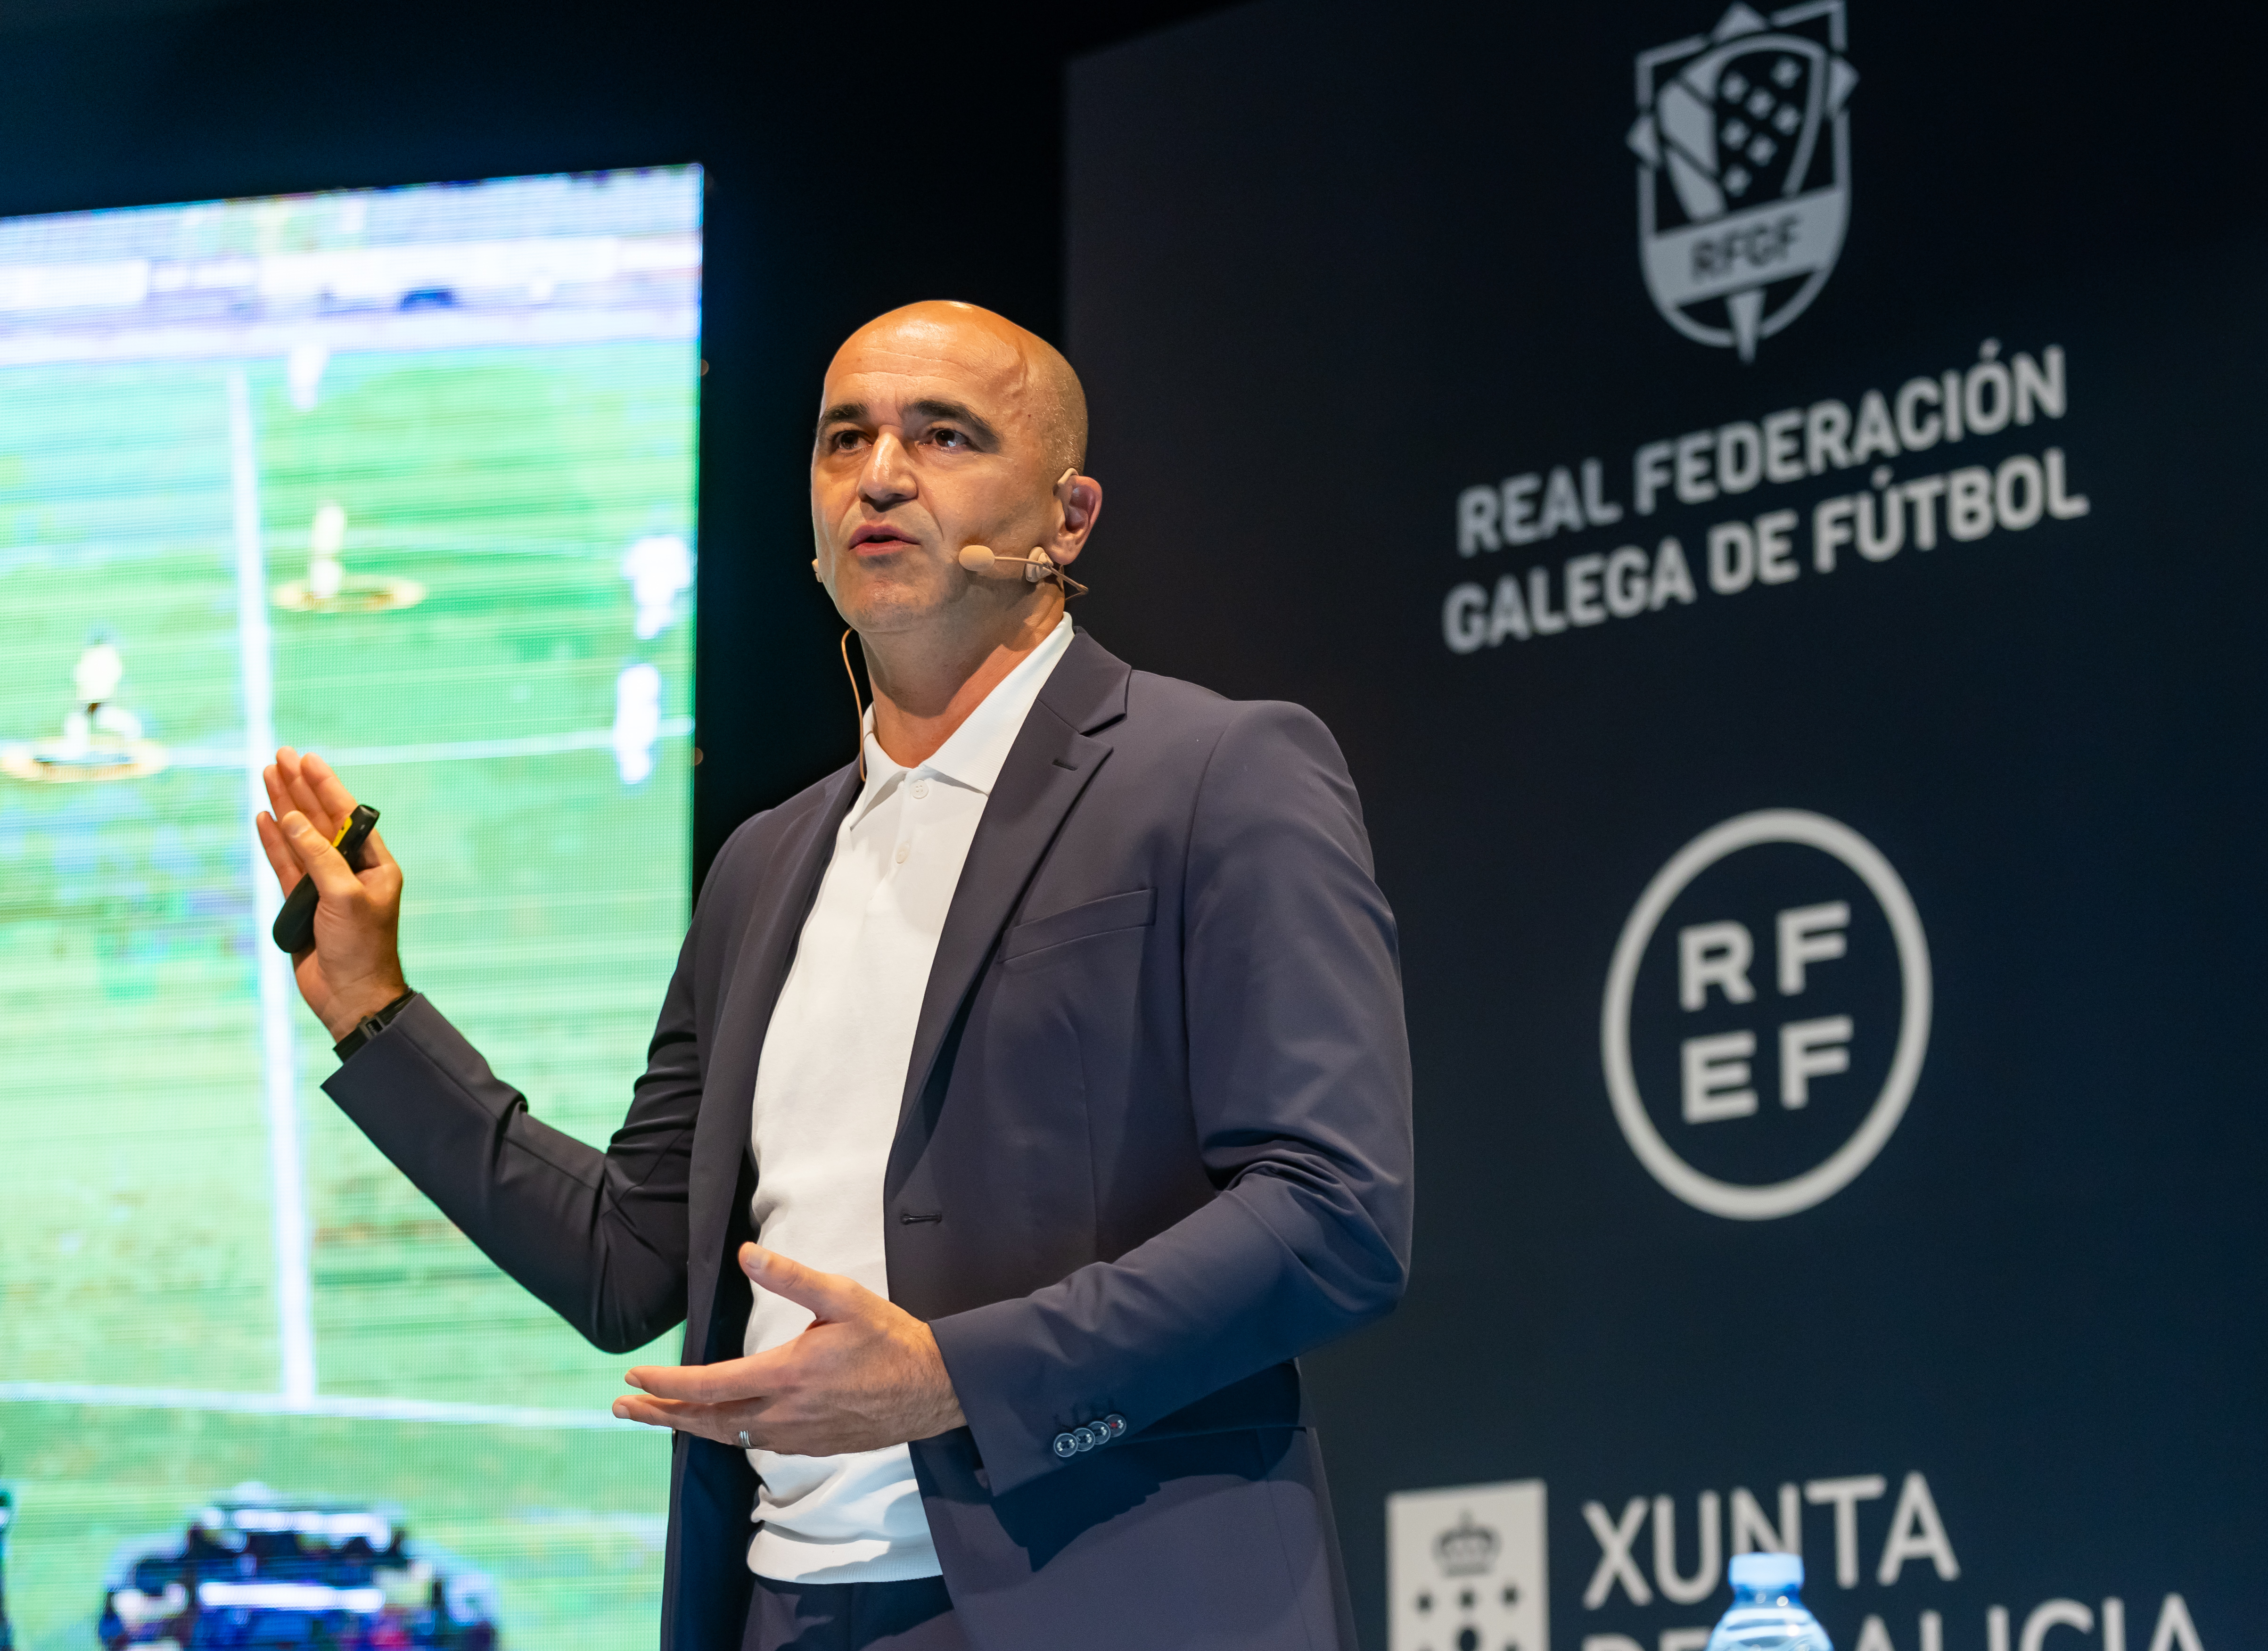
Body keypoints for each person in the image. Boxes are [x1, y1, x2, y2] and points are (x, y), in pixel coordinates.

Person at [254, 301, 1413, 1651]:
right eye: (843, 439)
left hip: (1111, 1597)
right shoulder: (763, 863)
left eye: (945, 435)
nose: (879, 474)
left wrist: (950, 1379)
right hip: (790, 1613)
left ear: (1069, 515)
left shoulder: (1218, 773)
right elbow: (633, 1257)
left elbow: (1335, 1216)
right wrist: (373, 1015)